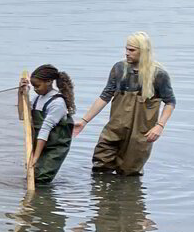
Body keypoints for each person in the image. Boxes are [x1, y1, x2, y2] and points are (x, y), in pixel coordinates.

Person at [73, 32, 176, 176]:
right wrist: (84, 121)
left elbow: (170, 102)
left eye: (132, 50)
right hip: (116, 128)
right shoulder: (119, 69)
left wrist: (159, 126)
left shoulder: (159, 75)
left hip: (140, 133)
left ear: (144, 51)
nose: (127, 53)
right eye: (126, 49)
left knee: (129, 172)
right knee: (100, 165)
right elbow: (105, 96)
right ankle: (101, 197)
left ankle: (127, 197)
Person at [18, 64, 76, 186]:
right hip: (39, 142)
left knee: (40, 179)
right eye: (33, 86)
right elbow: (23, 115)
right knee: (30, 177)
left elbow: (45, 130)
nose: (35, 89)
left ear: (49, 82)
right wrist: (21, 93)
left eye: (37, 86)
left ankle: (42, 202)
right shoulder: (37, 99)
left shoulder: (57, 103)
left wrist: (35, 158)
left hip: (53, 148)